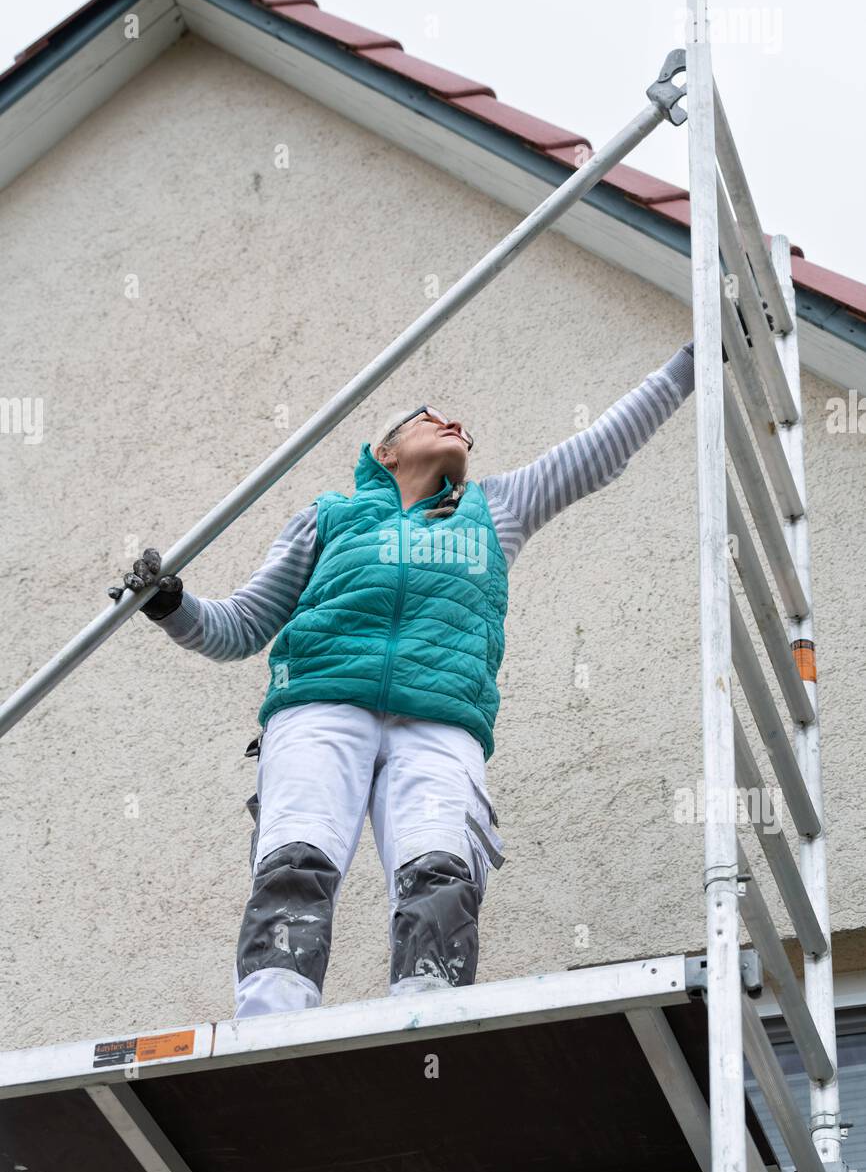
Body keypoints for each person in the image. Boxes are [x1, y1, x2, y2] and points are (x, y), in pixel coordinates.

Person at [109, 342, 695, 1016]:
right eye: (432, 418)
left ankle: (428, 1007)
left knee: (438, 867)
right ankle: (273, 1009)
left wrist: (691, 364)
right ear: (384, 451)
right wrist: (169, 603)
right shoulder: (327, 519)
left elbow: (603, 445)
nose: (458, 428)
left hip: (440, 719)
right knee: (297, 857)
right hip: (319, 706)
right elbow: (239, 627)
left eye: (464, 429)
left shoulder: (497, 508)